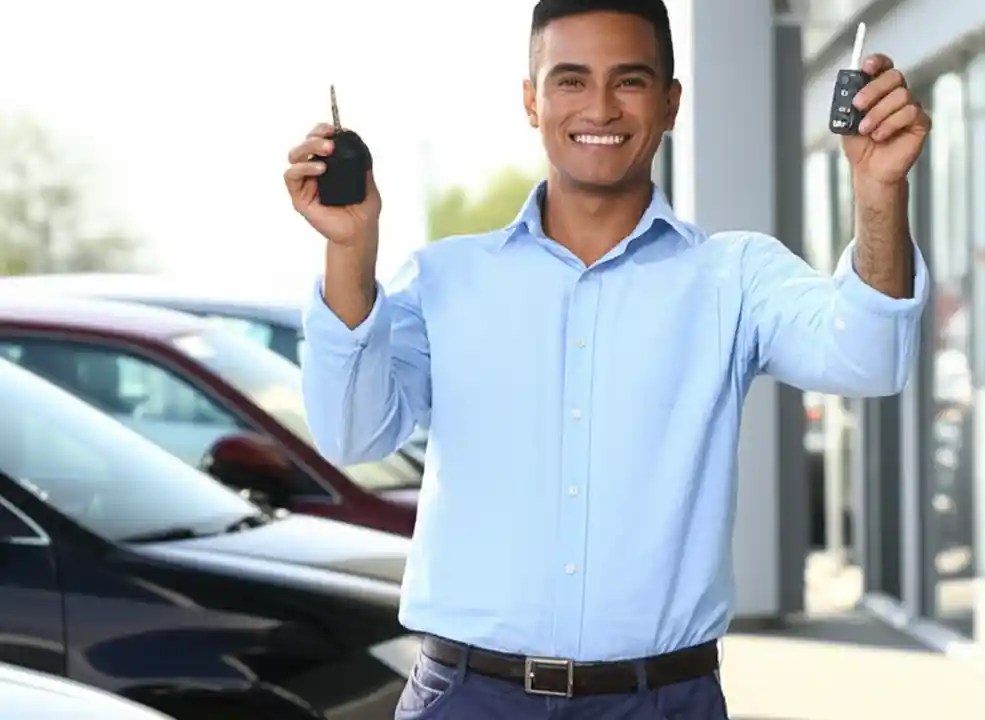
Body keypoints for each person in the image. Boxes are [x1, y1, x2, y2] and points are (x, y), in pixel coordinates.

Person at [283, 1, 931, 717]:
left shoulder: (734, 276)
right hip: (470, 700)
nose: (599, 106)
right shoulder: (443, 279)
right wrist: (349, 250)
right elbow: (352, 434)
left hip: (661, 702)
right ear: (531, 100)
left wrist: (879, 195)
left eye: (628, 80)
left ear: (670, 101)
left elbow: (869, 358)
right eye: (569, 80)